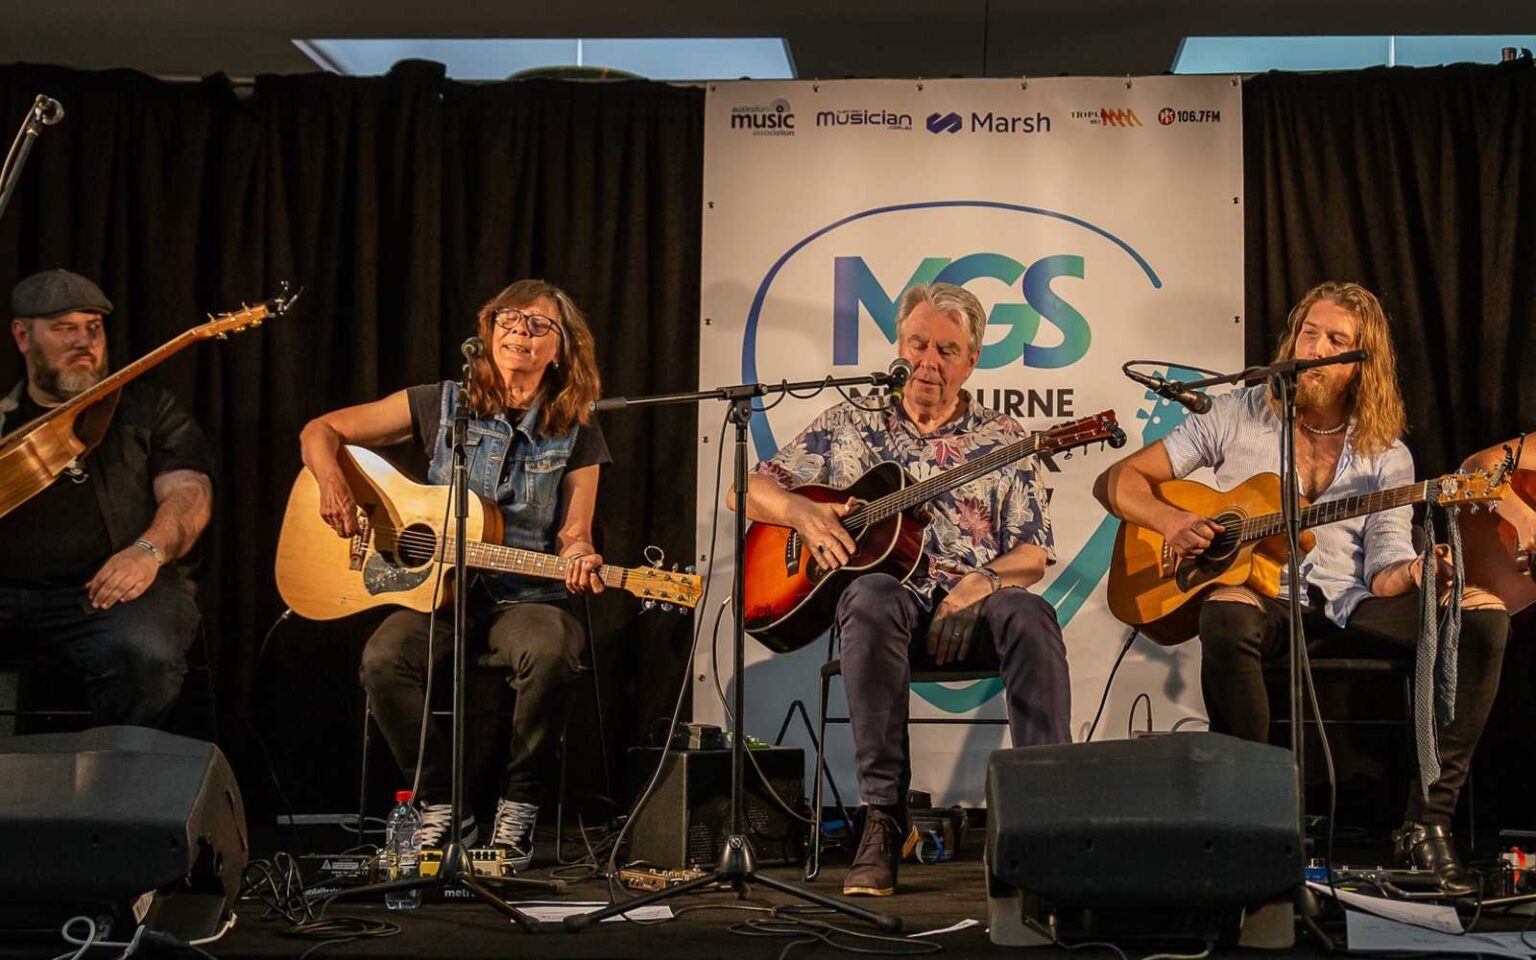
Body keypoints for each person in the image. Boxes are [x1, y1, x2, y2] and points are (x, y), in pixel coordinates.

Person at [1093, 281, 1509, 895]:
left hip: (1348, 601)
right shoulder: (1237, 414)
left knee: (1483, 616)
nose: (1315, 348)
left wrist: (1419, 574)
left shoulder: (1387, 454)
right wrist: (1171, 521)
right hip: (1262, 594)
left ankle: (1427, 824)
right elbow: (1118, 479)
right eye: (1308, 332)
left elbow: (1385, 563)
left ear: (1362, 365)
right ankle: (1249, 820)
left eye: (1335, 340)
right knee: (1227, 613)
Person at [729, 282, 1068, 897]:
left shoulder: (1003, 436)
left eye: (947, 349)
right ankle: (882, 818)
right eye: (918, 343)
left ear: (973, 361)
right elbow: (746, 489)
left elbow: (1033, 552)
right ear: (898, 346)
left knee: (1031, 613)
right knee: (870, 595)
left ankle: (1049, 818)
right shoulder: (848, 423)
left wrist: (981, 582)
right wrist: (805, 516)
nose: (929, 361)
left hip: (976, 602)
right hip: (888, 616)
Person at [300, 279, 609, 867]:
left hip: (524, 597)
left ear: (561, 349)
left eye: (538, 324)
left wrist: (578, 553)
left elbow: (575, 531)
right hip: (433, 598)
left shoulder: (577, 426)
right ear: (487, 331)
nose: (519, 330)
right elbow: (321, 430)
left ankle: (518, 809)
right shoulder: (440, 403)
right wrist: (332, 482)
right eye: (508, 319)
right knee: (382, 660)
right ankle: (441, 804)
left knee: (551, 651)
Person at [0, 269, 213, 729]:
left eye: (93, 328)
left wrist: (147, 551)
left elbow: (189, 493)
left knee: (146, 652)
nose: (84, 342)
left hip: (106, 595)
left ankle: (114, 786)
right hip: (7, 592)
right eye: (64, 328)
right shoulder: (5, 417)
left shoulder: (146, 409)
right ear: (22, 336)